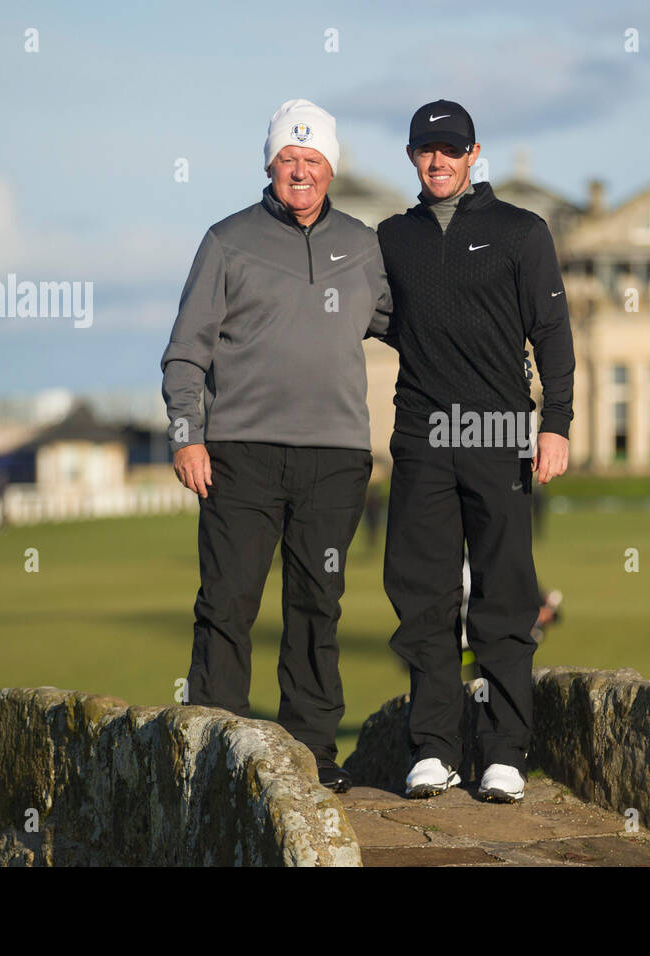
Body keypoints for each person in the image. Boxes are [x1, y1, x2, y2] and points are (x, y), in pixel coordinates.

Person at [160, 98, 393, 794]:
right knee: (228, 603)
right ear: (269, 165)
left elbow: (409, 324)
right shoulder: (227, 241)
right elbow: (183, 356)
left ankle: (314, 750)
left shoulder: (362, 244)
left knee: (317, 603)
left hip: (335, 456)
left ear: (330, 169)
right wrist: (186, 434)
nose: (300, 171)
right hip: (240, 454)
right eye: (288, 159)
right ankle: (219, 747)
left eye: (312, 160)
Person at [378, 100, 575, 803]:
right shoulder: (390, 239)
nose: (438, 160)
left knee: (503, 596)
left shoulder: (521, 232)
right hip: (423, 435)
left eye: (451, 149)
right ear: (411, 158)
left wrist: (556, 424)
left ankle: (504, 752)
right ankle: (433, 748)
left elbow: (552, 331)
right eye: (426, 150)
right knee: (423, 596)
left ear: (473, 154)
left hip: (497, 433)